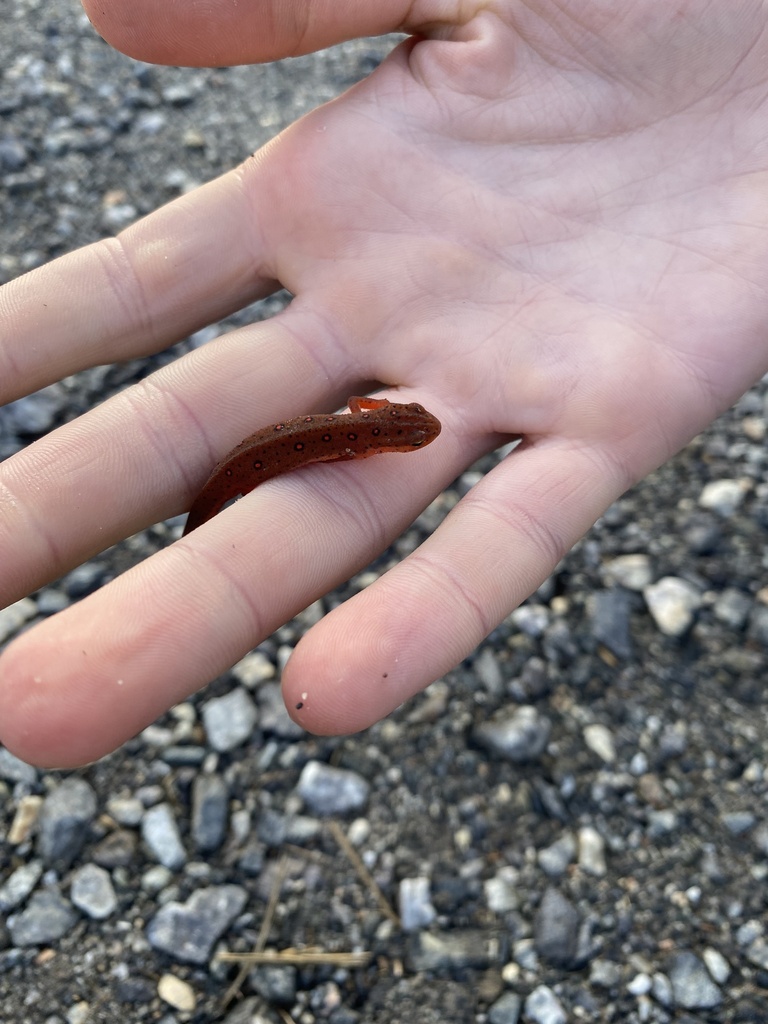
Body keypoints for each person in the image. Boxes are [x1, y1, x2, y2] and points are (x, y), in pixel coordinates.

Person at [0, 1, 766, 768]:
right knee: (249, 463)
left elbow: (355, 431)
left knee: (257, 470)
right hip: (267, 450)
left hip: (283, 448)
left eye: (406, 432)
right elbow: (340, 439)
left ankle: (209, 509)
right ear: (387, 423)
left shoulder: (371, 427)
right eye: (409, 431)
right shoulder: (366, 435)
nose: (409, 433)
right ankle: (207, 506)